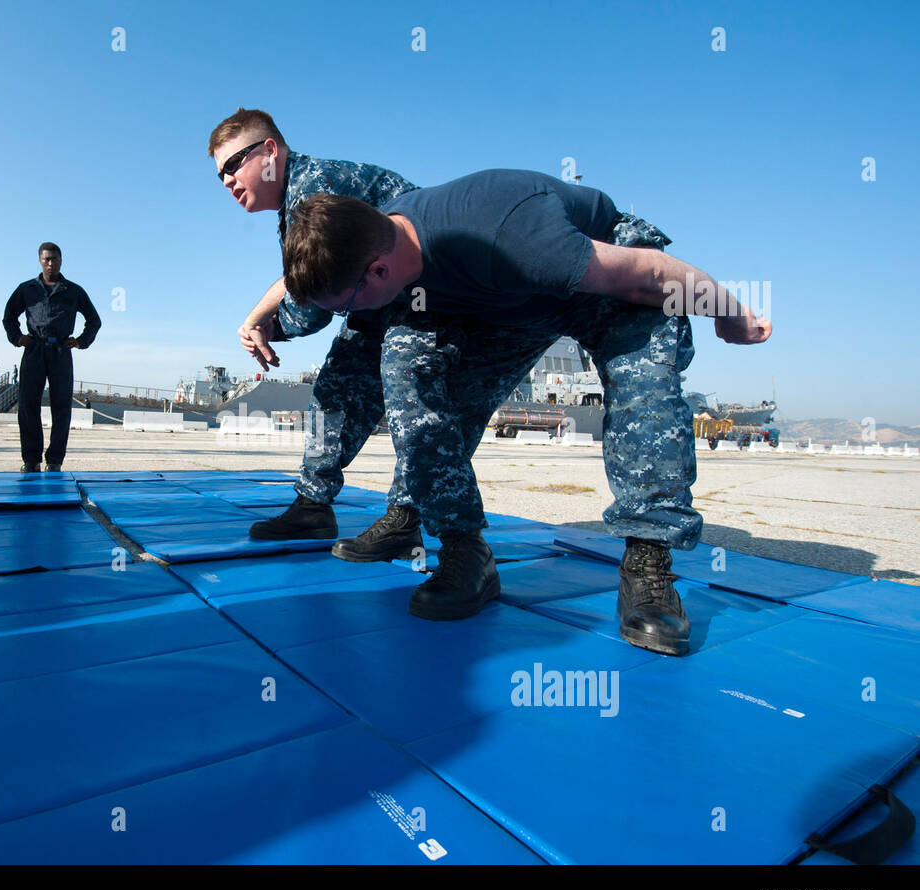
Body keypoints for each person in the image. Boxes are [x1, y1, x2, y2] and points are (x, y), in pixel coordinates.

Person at [282, 170, 772, 650]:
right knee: (407, 371)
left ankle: (648, 562)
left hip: (597, 282)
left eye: (348, 306)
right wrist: (264, 316)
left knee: (643, 386)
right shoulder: (380, 245)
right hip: (505, 304)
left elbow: (648, 276)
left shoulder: (508, 234)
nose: (350, 317)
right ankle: (464, 551)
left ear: (380, 272)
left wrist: (729, 311)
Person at [210, 108, 487, 562]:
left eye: (231, 165)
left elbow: (315, 298)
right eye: (219, 173)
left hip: (427, 292)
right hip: (382, 295)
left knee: (411, 390)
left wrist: (275, 326)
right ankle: (313, 505)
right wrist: (258, 318)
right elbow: (297, 280)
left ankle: (406, 517)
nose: (225, 180)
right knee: (338, 389)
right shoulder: (298, 195)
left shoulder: (314, 188)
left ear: (269, 152)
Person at [2, 242, 101, 472]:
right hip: (34, 349)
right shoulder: (26, 289)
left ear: (61, 260)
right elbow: (8, 316)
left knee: (62, 406)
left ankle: (55, 461)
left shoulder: (74, 291)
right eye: (46, 259)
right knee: (28, 406)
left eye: (55, 259)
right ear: (40, 260)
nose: (50, 262)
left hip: (61, 353)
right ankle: (31, 459)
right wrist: (17, 337)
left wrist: (81, 341)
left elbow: (94, 320)